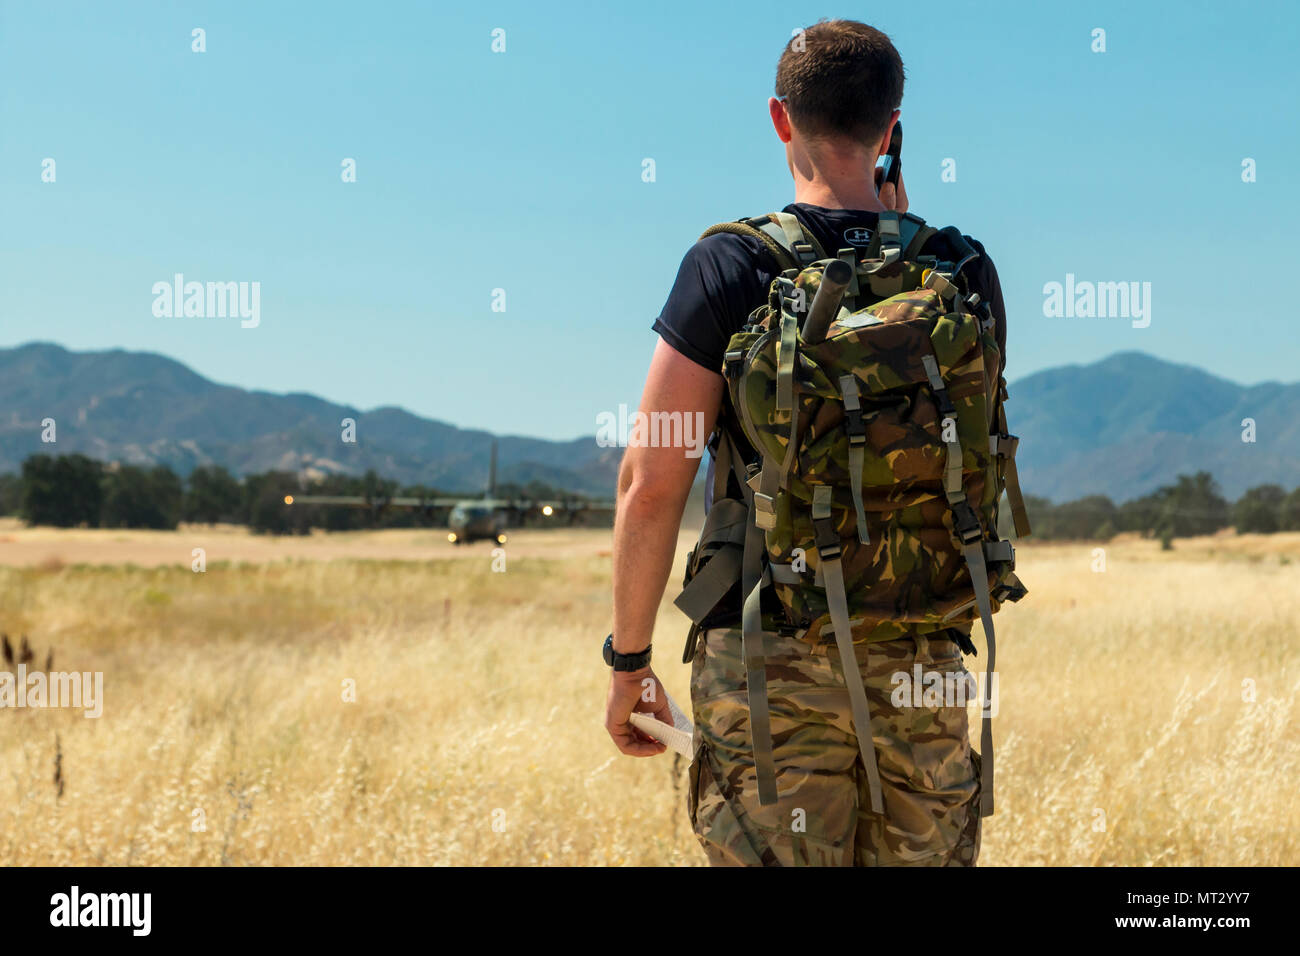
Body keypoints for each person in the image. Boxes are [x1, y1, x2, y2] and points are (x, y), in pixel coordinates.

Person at [603, 18, 1007, 866]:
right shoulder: (961, 270)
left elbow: (650, 481)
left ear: (782, 119)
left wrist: (629, 659)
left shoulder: (728, 267)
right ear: (892, 129)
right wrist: (895, 248)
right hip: (922, 646)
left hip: (765, 654)